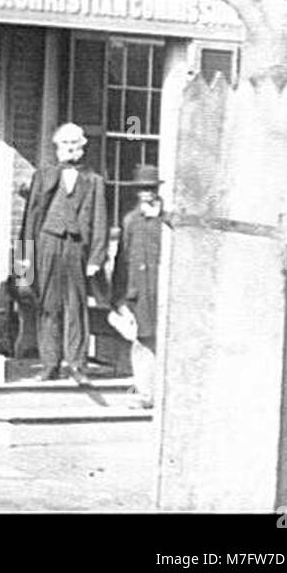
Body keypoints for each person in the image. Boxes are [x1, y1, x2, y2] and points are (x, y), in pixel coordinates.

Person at [18, 123, 108, 384]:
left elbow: (100, 221)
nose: (69, 148)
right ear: (57, 148)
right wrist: (23, 263)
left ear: (82, 148)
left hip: (76, 247)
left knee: (75, 306)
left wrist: (96, 259)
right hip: (47, 243)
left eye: (74, 144)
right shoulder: (43, 176)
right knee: (48, 306)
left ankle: (78, 365)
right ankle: (49, 365)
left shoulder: (94, 181)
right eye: (65, 144)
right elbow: (30, 218)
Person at [111, 165, 168, 410]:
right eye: (142, 189)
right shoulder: (130, 220)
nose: (146, 193)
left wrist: (161, 217)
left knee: (165, 340)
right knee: (142, 342)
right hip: (139, 292)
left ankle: (166, 393)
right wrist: (119, 296)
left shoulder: (166, 220)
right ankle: (145, 393)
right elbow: (122, 260)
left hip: (162, 290)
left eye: (151, 189)